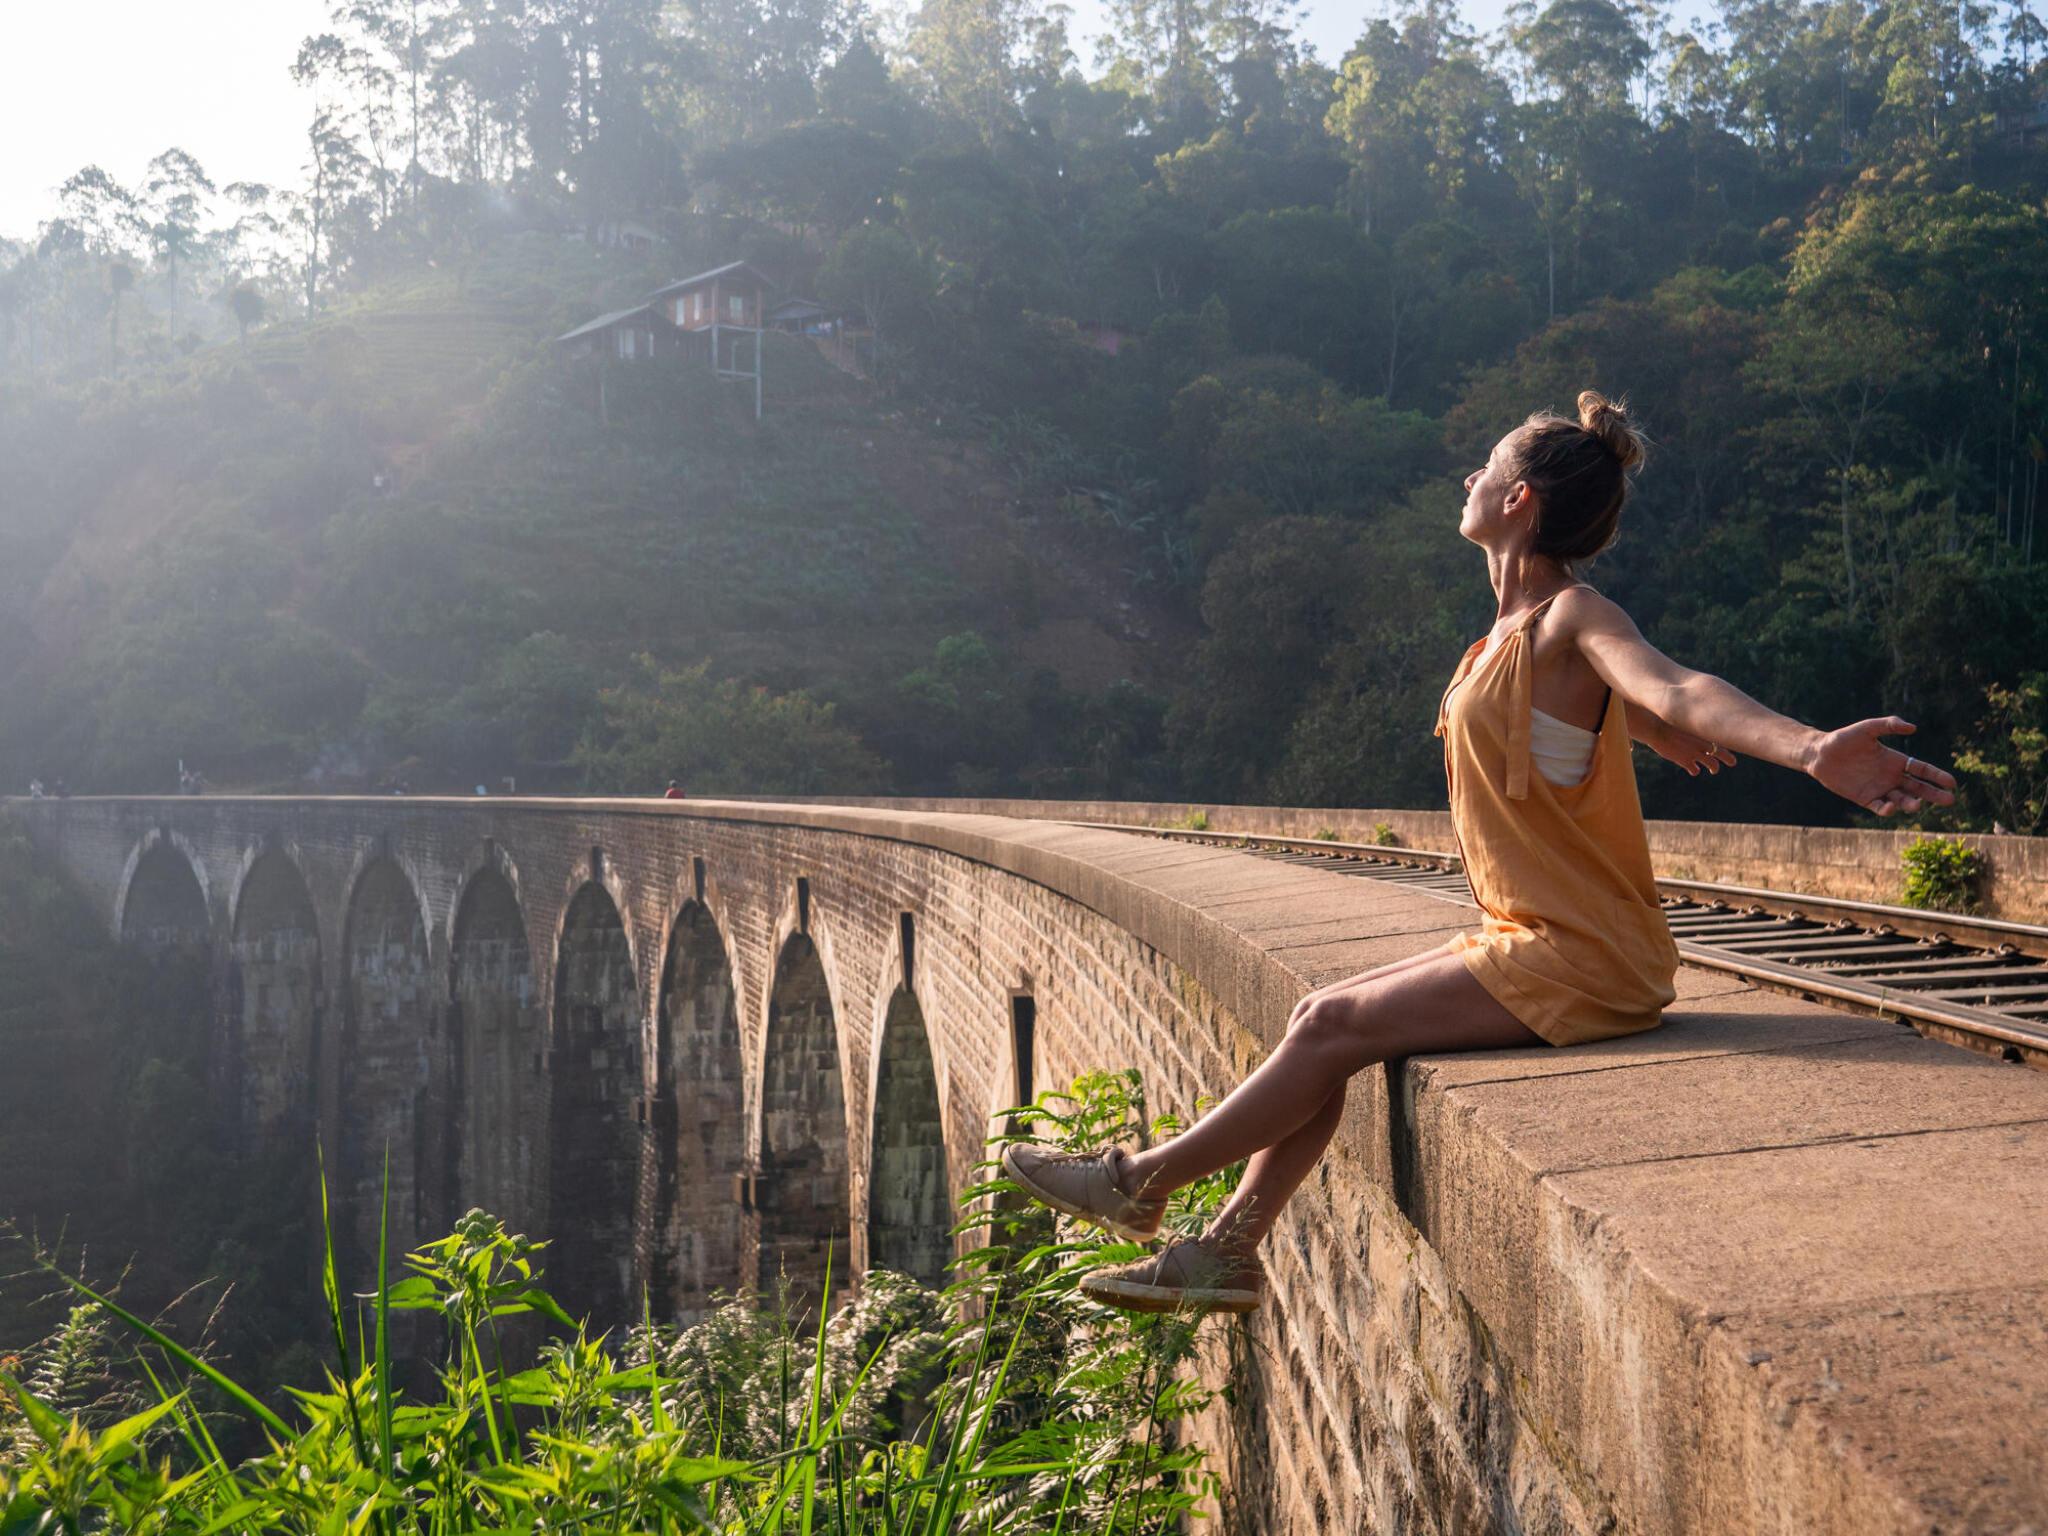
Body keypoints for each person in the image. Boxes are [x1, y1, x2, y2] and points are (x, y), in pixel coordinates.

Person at [1003, 390, 1958, 1316]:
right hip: (1532, 935)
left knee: (1332, 1026)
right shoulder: (1505, 641)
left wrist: (1806, 748)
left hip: (1580, 957)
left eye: (1486, 466)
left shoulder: (1575, 620)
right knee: (1321, 1021)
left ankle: (1138, 1183)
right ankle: (1225, 1251)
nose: (1468, 475)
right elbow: (1590, 718)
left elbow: (1677, 686)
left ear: (1517, 501)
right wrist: (1630, 722)